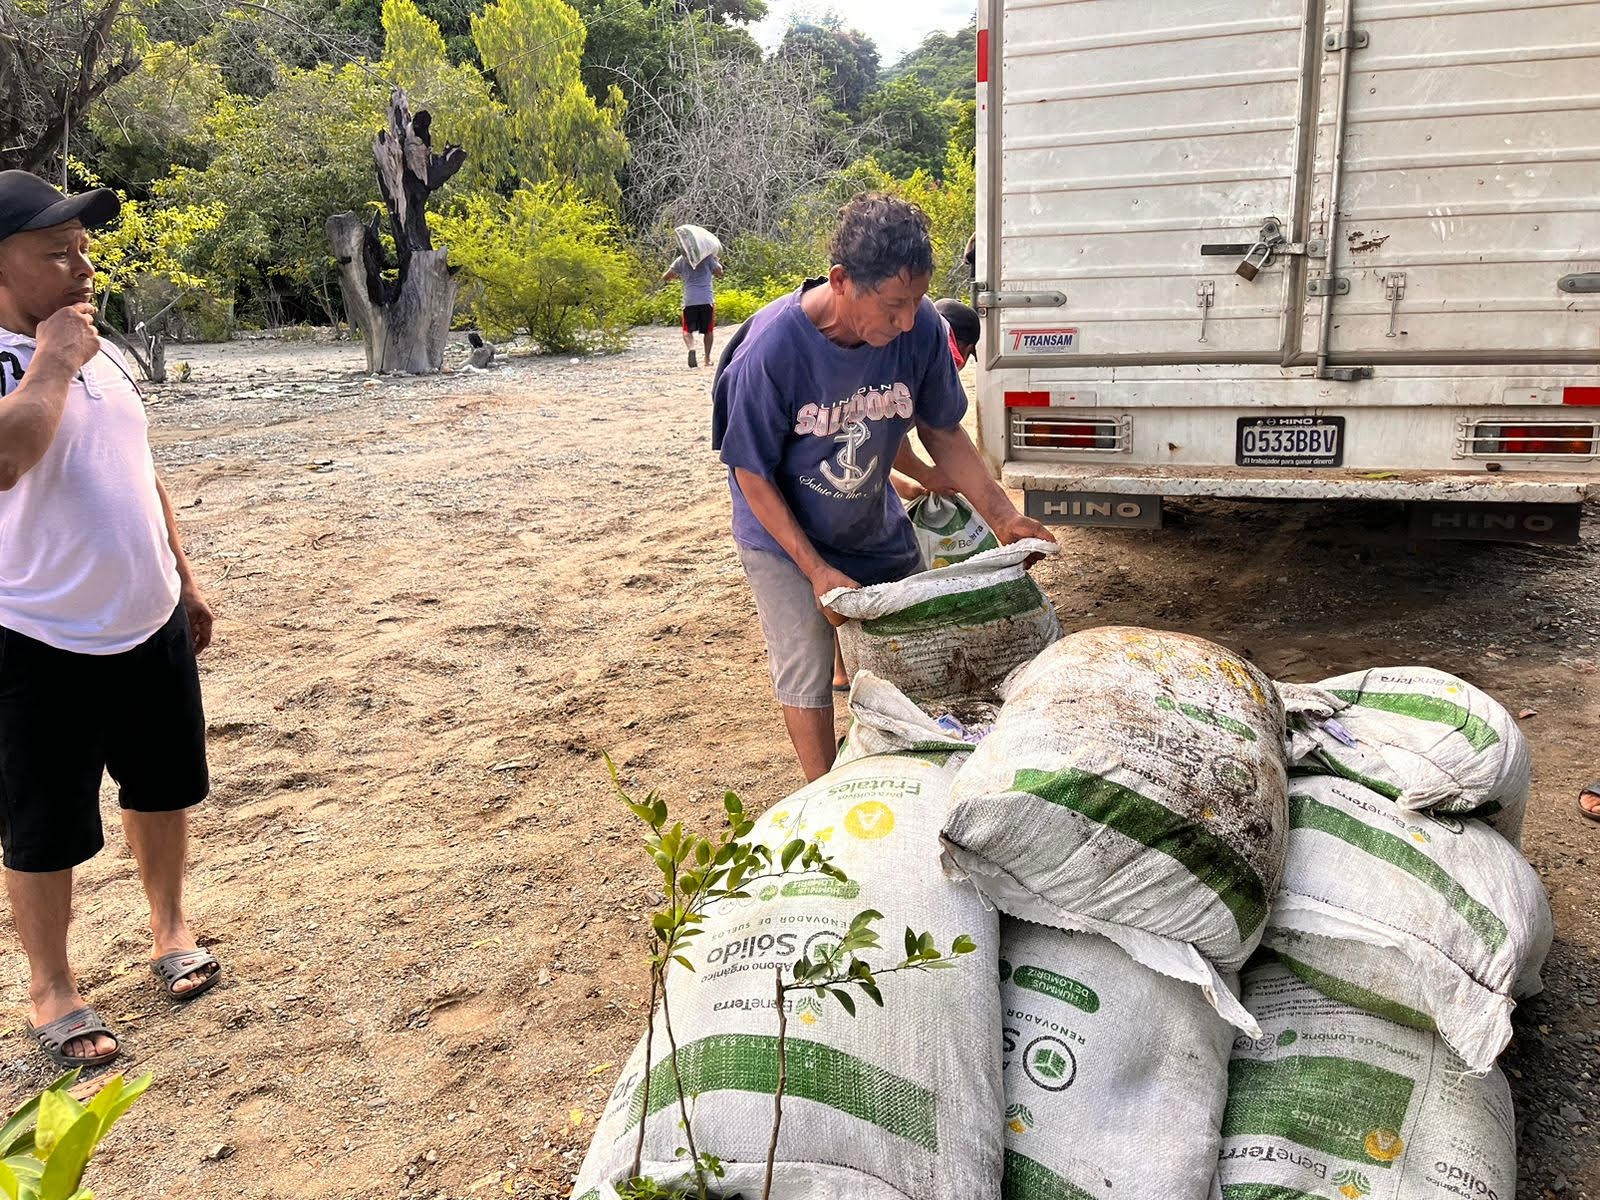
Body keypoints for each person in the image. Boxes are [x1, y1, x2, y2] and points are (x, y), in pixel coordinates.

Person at [712, 193, 1056, 781]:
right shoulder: (772, 351)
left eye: (916, 303)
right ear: (842, 280)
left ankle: (909, 779)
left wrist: (1001, 515)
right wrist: (816, 571)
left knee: (911, 646)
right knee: (807, 670)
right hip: (784, 536)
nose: (906, 322)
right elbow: (751, 473)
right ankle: (822, 798)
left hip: (869, 520)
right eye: (894, 306)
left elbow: (941, 429)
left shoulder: (921, 328)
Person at [0, 170, 221, 1069]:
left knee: (163, 785)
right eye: (56, 252)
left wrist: (184, 574)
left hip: (148, 614)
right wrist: (53, 358)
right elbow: (8, 458)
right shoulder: (50, 350)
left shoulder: (93, 342)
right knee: (43, 822)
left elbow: (140, 465)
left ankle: (170, 929)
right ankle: (51, 984)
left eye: (82, 247)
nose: (82, 264)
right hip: (36, 634)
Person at [662, 244, 724, 369]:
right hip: (706, 299)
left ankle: (691, 348)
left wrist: (680, 274)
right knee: (708, 330)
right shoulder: (707, 258)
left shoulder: (681, 260)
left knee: (687, 330)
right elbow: (719, 273)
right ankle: (707, 359)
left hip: (690, 300)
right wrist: (716, 261)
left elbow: (666, 277)